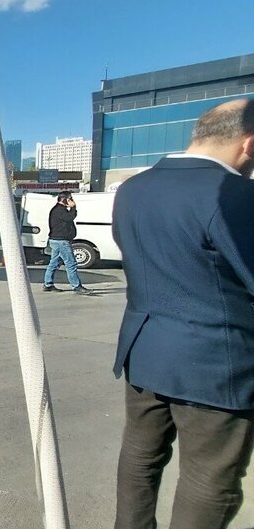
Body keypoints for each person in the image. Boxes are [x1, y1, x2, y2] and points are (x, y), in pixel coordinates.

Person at [111, 98, 254, 529]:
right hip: (216, 363)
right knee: (209, 476)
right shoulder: (234, 195)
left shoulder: (133, 189)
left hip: (144, 351)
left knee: (139, 457)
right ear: (249, 144)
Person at [41, 191, 92, 294]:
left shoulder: (60, 210)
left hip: (58, 240)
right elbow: (70, 217)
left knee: (54, 263)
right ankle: (77, 286)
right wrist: (73, 207)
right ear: (65, 200)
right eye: (70, 199)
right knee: (71, 263)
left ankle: (48, 284)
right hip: (61, 241)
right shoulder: (59, 210)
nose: (72, 201)